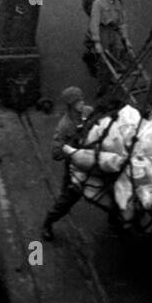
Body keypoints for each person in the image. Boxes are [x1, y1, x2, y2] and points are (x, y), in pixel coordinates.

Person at [41, 86, 93, 241]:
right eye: (78, 101)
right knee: (69, 197)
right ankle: (48, 223)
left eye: (82, 99)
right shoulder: (65, 126)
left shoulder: (89, 112)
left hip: (92, 156)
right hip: (75, 164)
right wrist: (71, 146)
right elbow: (56, 152)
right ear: (70, 104)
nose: (82, 103)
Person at [86, 0, 134, 92]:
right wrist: (97, 42)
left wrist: (126, 39)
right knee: (104, 60)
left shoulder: (117, 3)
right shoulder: (99, 3)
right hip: (104, 31)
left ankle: (112, 80)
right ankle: (102, 85)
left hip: (114, 31)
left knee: (116, 55)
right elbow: (94, 22)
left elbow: (122, 22)